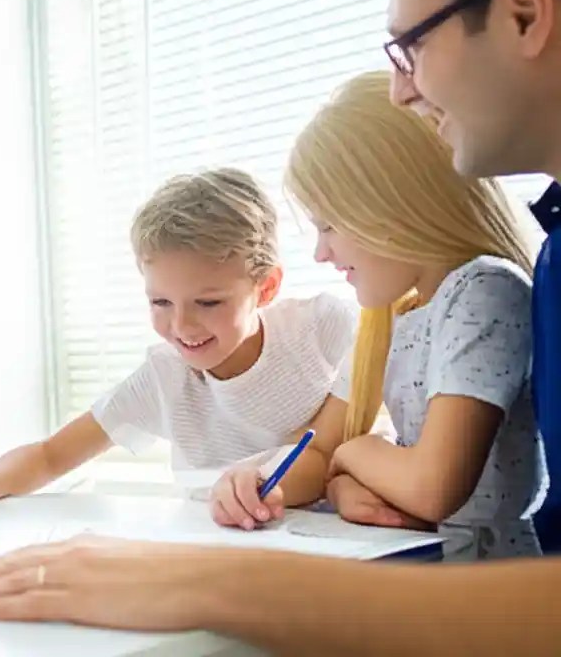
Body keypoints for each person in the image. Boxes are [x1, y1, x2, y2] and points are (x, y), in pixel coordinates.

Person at [0, 0, 561, 653]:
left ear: (525, 15)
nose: (403, 91)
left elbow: (424, 481)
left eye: (412, 45)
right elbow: (351, 465)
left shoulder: (471, 293)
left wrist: (210, 579)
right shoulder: (511, 277)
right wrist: (341, 477)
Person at [212, 70, 545, 561]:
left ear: (392, 204)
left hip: (488, 586)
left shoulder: (483, 291)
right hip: (431, 568)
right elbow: (321, 452)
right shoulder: (397, 318)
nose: (322, 253)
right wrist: (258, 478)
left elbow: (431, 487)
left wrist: (355, 456)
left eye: (330, 225)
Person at [0, 168, 356, 525]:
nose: (181, 325)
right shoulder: (164, 378)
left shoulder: (323, 328)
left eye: (208, 302)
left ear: (266, 288)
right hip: (226, 556)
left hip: (340, 548)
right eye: (160, 302)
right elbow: (51, 456)